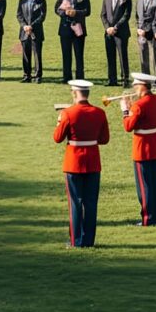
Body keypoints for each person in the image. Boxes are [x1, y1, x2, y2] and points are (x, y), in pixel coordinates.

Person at [53, 79, 109, 248]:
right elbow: (104, 139)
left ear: (74, 93)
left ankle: (76, 240)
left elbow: (57, 138)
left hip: (74, 162)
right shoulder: (99, 112)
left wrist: (59, 120)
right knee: (91, 202)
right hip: (93, 160)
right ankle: (89, 240)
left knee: (75, 202)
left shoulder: (68, 113)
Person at [120, 72, 156, 226]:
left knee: (143, 187)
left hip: (142, 147)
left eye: (135, 85)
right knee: (154, 184)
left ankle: (147, 219)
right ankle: (155, 217)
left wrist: (125, 110)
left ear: (142, 86)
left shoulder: (139, 106)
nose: (134, 88)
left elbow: (128, 126)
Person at [56, 0, 90, 82]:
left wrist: (75, 12)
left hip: (78, 28)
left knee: (79, 54)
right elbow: (57, 9)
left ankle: (80, 77)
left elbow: (87, 11)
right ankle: (67, 77)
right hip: (65, 28)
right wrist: (65, 12)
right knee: (66, 54)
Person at [100, 0, 133, 88]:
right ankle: (112, 79)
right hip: (108, 33)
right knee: (110, 56)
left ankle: (125, 79)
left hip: (121, 32)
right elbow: (103, 14)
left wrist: (115, 27)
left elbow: (126, 15)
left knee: (122, 55)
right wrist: (107, 28)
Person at [16, 0, 46, 83]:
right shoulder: (22, 1)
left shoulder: (42, 2)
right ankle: (26, 76)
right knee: (25, 54)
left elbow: (42, 17)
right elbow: (19, 15)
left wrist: (31, 26)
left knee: (37, 54)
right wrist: (24, 26)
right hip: (24, 32)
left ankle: (38, 76)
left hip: (36, 32)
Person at [135, 0, 156, 76]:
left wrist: (147, 31)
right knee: (143, 57)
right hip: (141, 34)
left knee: (154, 58)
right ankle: (145, 78)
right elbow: (137, 16)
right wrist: (139, 28)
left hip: (152, 33)